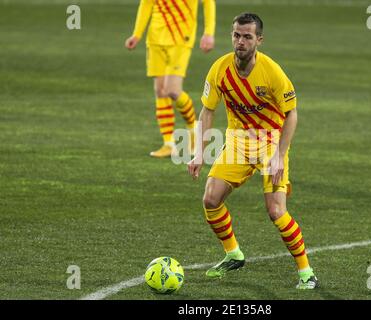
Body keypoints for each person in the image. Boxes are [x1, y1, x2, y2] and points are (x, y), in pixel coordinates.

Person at [187, 13, 318, 289]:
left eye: (247, 36)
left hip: (270, 143)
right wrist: (199, 151)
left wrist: (280, 155)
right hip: (237, 141)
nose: (240, 41)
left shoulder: (271, 72)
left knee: (276, 211)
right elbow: (207, 110)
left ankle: (306, 272)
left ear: (259, 39)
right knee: (211, 199)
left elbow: (292, 114)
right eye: (236, 35)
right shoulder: (220, 69)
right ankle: (233, 254)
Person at [125, 0, 216, 157]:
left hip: (181, 39)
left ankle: (193, 129)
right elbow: (146, 4)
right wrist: (137, 34)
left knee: (173, 91)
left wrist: (208, 32)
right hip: (155, 39)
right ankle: (168, 144)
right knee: (160, 91)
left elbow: (208, 2)